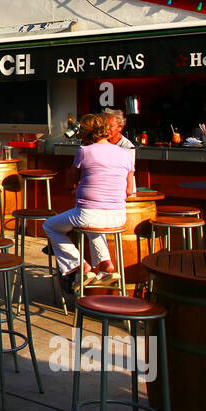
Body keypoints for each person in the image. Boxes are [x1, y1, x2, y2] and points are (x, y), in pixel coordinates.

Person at [44, 114, 136, 294]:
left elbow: (71, 179)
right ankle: (106, 264)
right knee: (91, 226)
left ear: (84, 134)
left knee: (50, 226)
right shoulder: (125, 153)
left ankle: (80, 265)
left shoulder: (84, 151)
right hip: (118, 216)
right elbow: (129, 190)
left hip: (89, 213)